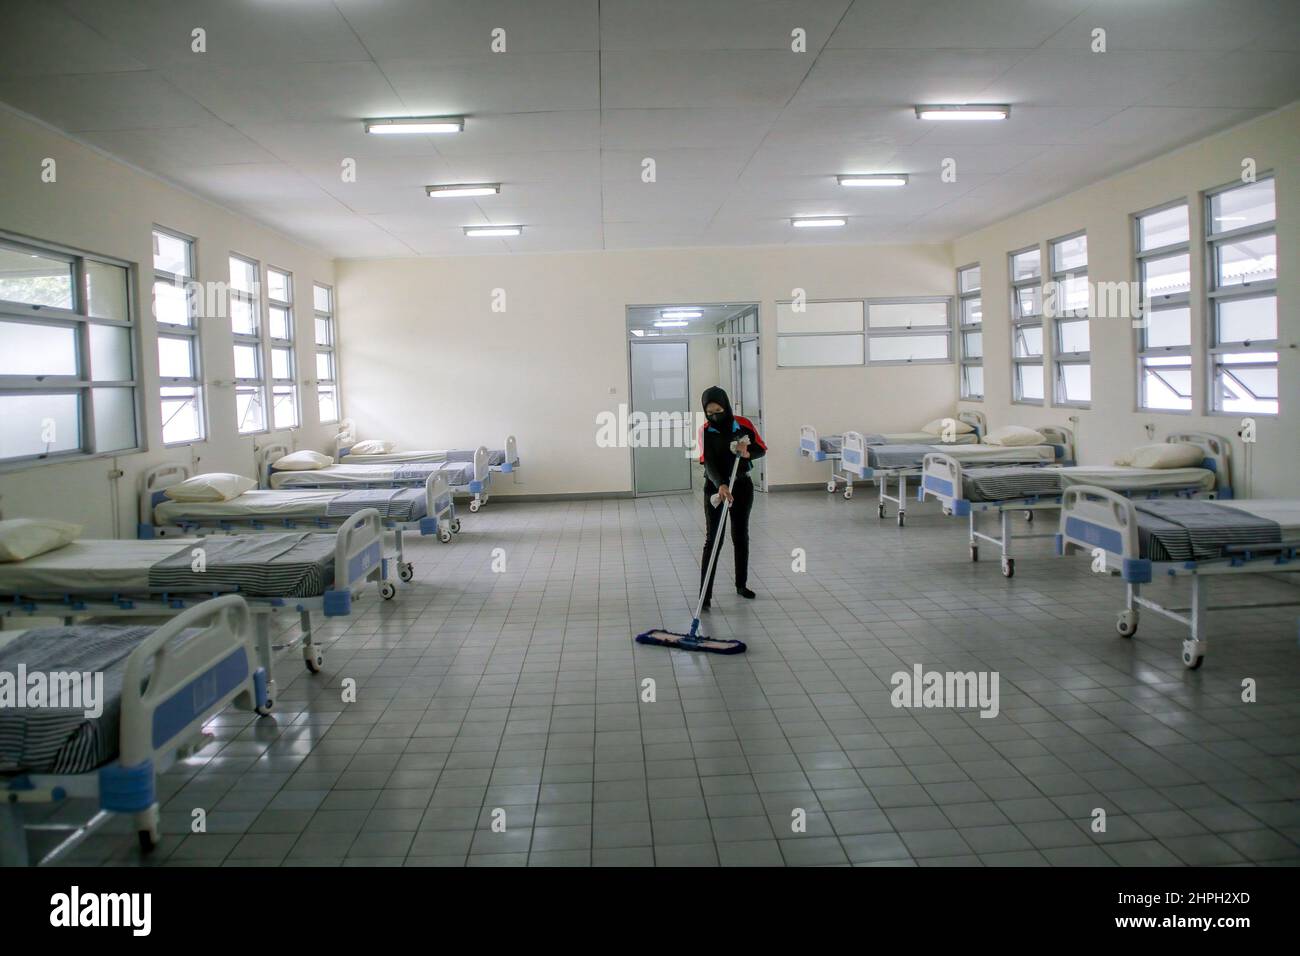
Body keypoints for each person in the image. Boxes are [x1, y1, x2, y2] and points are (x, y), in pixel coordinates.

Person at [696, 385, 767, 610]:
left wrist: (746, 452)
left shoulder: (743, 424)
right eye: (710, 412)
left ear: (725, 406)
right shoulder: (706, 430)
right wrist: (722, 485)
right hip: (716, 488)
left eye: (718, 410)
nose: (714, 415)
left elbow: (761, 449)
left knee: (740, 535)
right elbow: (708, 463)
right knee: (713, 540)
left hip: (742, 485)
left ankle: (741, 584)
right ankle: (704, 595)